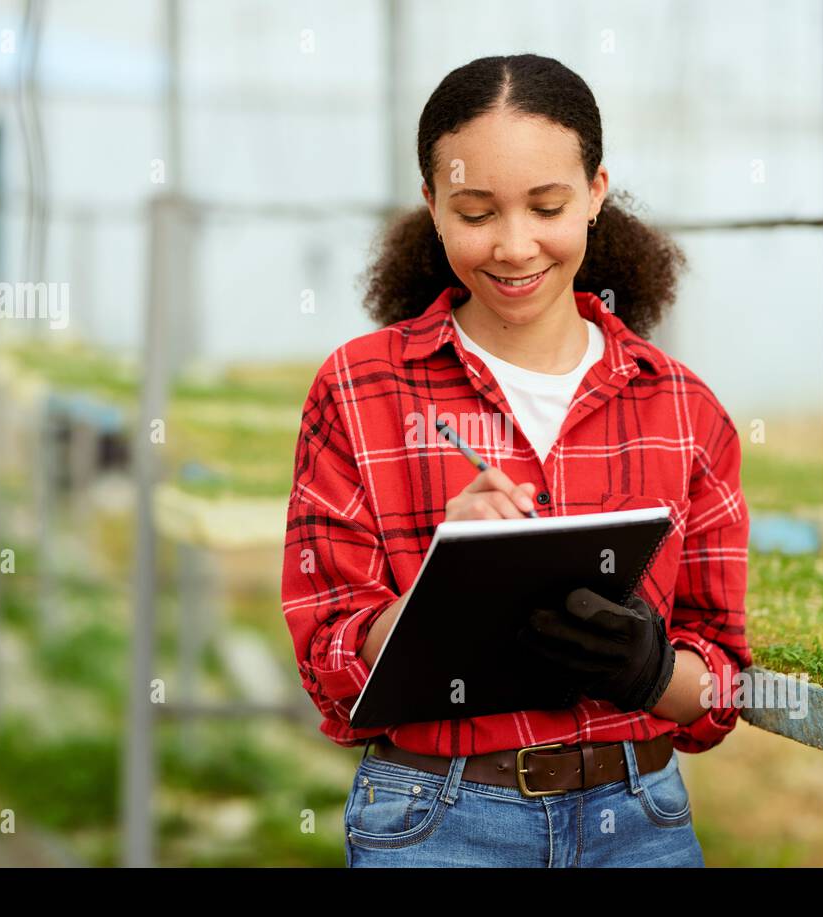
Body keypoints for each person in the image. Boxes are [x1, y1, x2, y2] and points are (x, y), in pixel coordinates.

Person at [282, 53, 750, 868]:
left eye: (547, 206)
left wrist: (648, 671)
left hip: (641, 820)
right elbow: (330, 669)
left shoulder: (683, 408)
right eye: (475, 211)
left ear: (597, 190)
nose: (513, 244)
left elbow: (721, 688)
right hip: (438, 820)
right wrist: (441, 580)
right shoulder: (360, 390)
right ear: (431, 205)